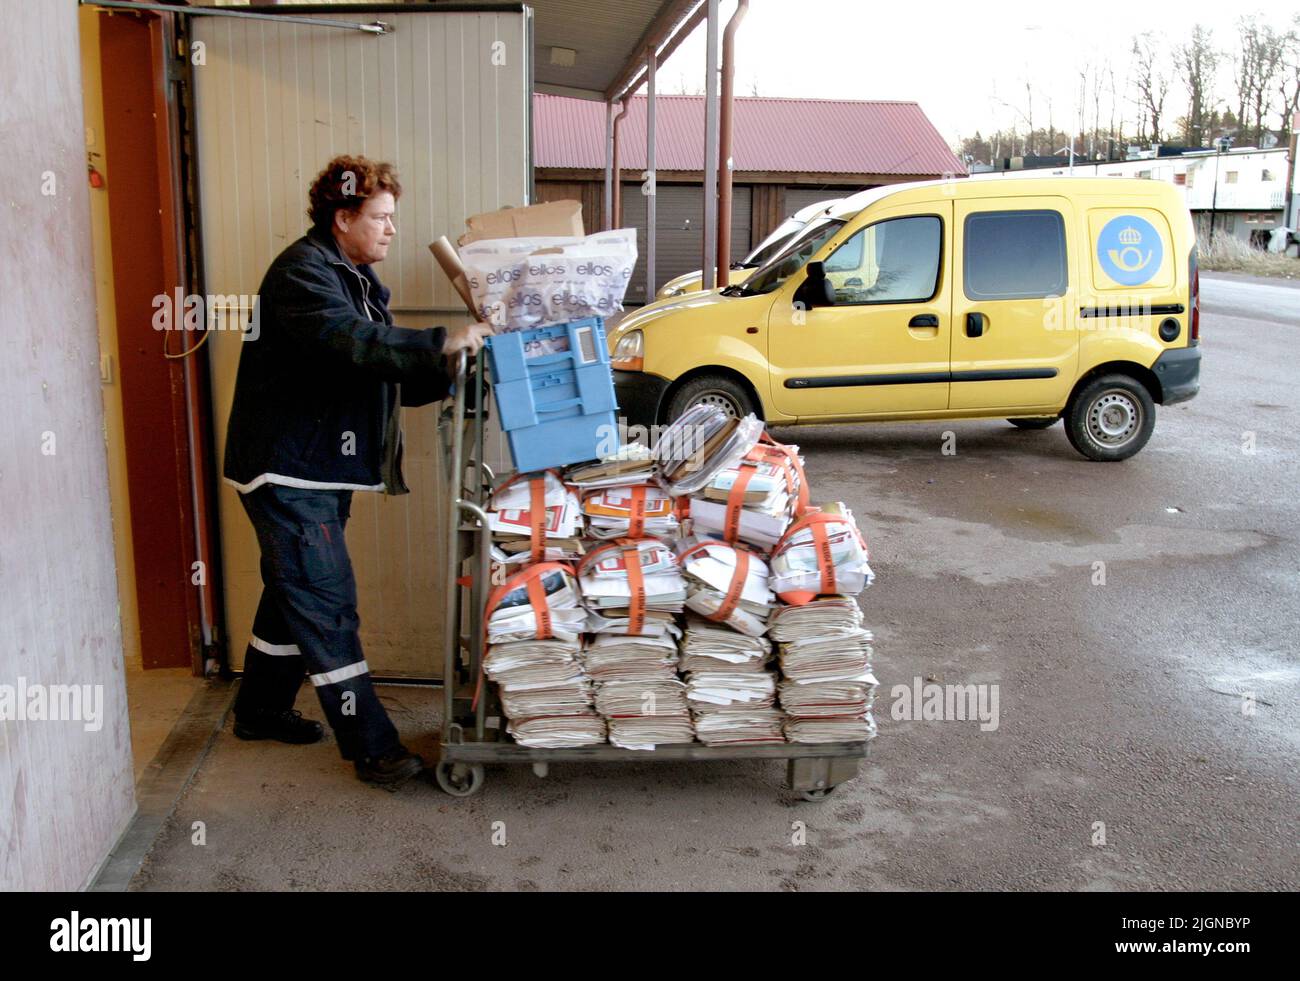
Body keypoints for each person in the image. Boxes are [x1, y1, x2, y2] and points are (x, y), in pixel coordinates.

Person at [222, 155, 492, 787]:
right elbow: (351, 342)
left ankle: (259, 711)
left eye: (393, 217)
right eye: (381, 217)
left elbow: (373, 369)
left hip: (317, 468)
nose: (392, 229)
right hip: (288, 471)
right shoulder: (303, 275)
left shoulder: (354, 277)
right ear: (342, 218)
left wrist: (449, 367)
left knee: (292, 595)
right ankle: (372, 745)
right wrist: (440, 342)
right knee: (326, 601)